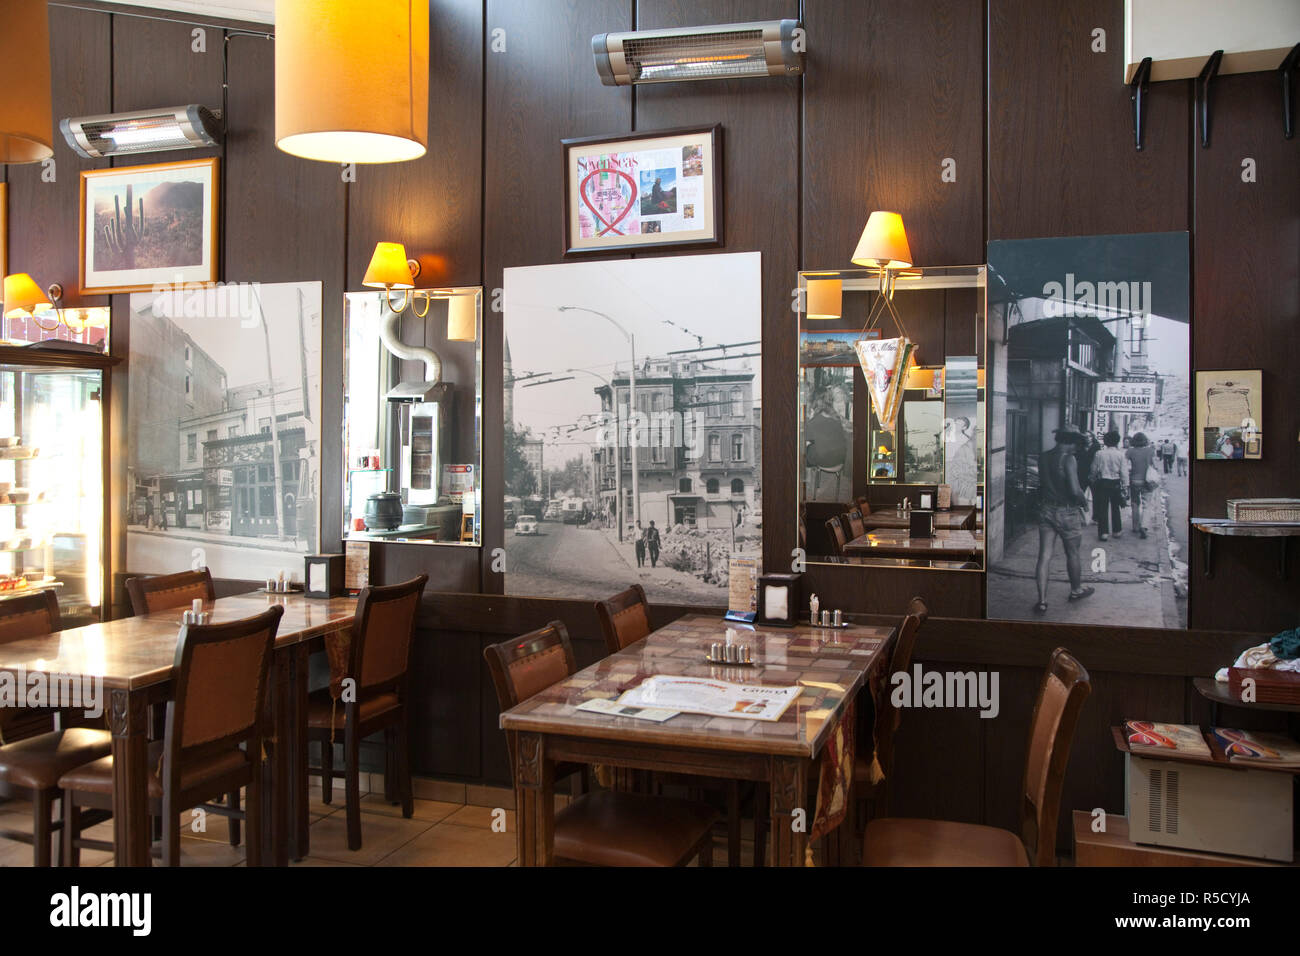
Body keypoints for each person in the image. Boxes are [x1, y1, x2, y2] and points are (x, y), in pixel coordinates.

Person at [1034, 429, 1095, 614]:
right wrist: (1085, 505)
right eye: (1077, 446)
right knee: (1073, 553)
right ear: (1071, 443)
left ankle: (1042, 601)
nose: (1077, 450)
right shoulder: (1069, 458)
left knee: (1044, 555)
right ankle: (1076, 590)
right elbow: (1075, 490)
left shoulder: (1043, 457)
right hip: (1067, 511)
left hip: (1045, 509)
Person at [1089, 431, 1128, 541]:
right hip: (1115, 483)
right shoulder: (1120, 455)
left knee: (1102, 508)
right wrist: (1125, 486)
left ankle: (1103, 533)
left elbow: (1093, 469)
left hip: (1102, 482)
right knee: (1116, 507)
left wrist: (1092, 478)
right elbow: (1124, 472)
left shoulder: (1099, 453)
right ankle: (1117, 531)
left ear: (1105, 441)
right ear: (1117, 441)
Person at [1125, 431, 1156, 539]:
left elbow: (1125, 466)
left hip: (1134, 480)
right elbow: (1154, 465)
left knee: (1135, 503)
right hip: (1147, 481)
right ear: (1145, 440)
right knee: (1147, 505)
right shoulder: (1150, 450)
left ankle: (1135, 526)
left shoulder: (1130, 451)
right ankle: (1144, 526)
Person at [944, 416, 978, 505]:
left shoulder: (965, 440)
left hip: (957, 467)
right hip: (946, 465)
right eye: (955, 423)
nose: (955, 425)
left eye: (959, 424)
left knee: (955, 491)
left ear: (964, 427)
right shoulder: (948, 437)